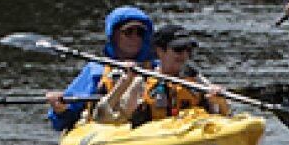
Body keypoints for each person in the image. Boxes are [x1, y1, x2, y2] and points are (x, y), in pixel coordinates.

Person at [46, 6, 155, 131]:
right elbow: (64, 120)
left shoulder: (156, 69)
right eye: (128, 32)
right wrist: (61, 110)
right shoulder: (96, 71)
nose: (135, 38)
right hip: (105, 131)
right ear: (114, 35)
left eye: (140, 33)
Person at [95, 24, 226, 124]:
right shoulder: (143, 82)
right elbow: (102, 116)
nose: (185, 55)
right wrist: (125, 81)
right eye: (178, 50)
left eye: (188, 50)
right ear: (160, 51)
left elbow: (224, 115)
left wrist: (220, 102)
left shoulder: (196, 79)